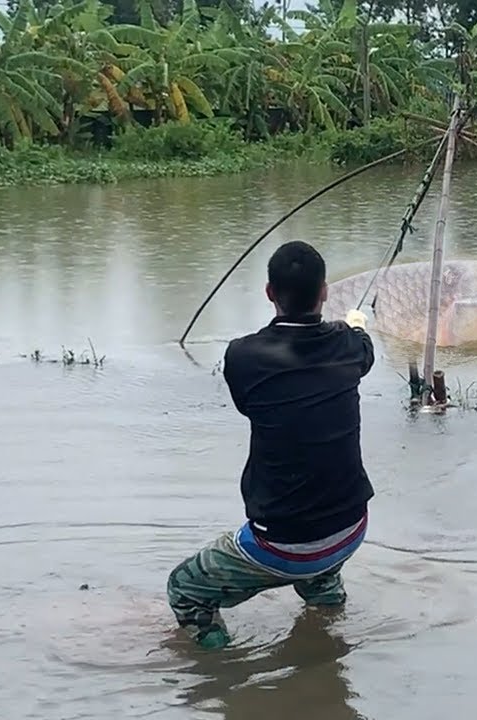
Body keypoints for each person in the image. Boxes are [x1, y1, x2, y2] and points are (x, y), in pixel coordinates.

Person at [166, 239, 376, 650]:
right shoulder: (350, 347)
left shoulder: (243, 357)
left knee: (184, 588)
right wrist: (354, 323)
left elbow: (251, 403)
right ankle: (328, 616)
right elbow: (361, 346)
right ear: (325, 292)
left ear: (269, 293)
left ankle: (220, 669)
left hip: (283, 543)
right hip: (352, 528)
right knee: (320, 559)